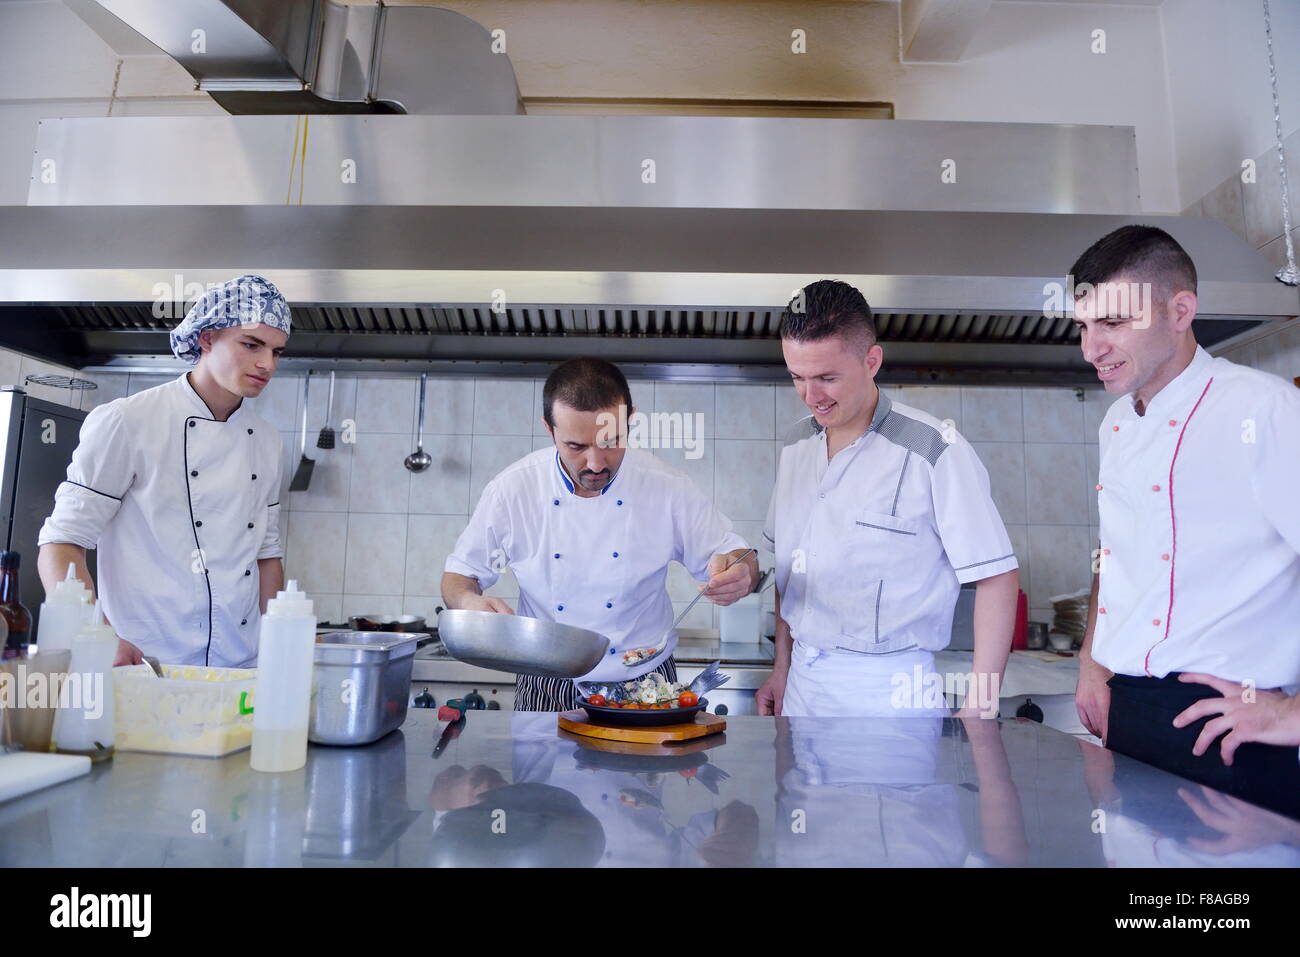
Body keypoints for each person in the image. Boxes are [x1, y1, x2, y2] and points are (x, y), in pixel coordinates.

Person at [1069, 224, 1300, 819]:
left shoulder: (1262, 408)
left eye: (1113, 323)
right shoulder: (1116, 423)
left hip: (1228, 727)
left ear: (1180, 310)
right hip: (1129, 716)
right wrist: (1093, 665)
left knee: (1210, 912)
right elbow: (1115, 555)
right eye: (1084, 326)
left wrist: (1290, 715)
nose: (1091, 348)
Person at [757, 280, 1020, 718]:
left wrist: (980, 707)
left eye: (827, 377)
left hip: (891, 692)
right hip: (803, 686)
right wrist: (781, 665)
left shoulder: (935, 448)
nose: (811, 396)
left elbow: (997, 577)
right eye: (797, 377)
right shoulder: (794, 445)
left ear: (871, 360)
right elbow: (791, 570)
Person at [441, 356, 757, 711]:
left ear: (629, 420)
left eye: (611, 441)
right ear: (550, 431)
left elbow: (740, 556)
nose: (595, 463)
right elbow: (459, 576)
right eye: (576, 447)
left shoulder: (667, 488)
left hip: (646, 684)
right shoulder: (514, 490)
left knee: (644, 770)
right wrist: (469, 602)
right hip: (547, 681)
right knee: (538, 769)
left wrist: (739, 571)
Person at [37, 274, 290, 667]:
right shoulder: (128, 421)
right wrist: (97, 635)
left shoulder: (268, 440)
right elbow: (61, 543)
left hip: (242, 668)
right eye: (252, 344)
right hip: (145, 664)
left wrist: (279, 648)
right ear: (207, 338)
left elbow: (266, 553)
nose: (266, 363)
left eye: (277, 351)